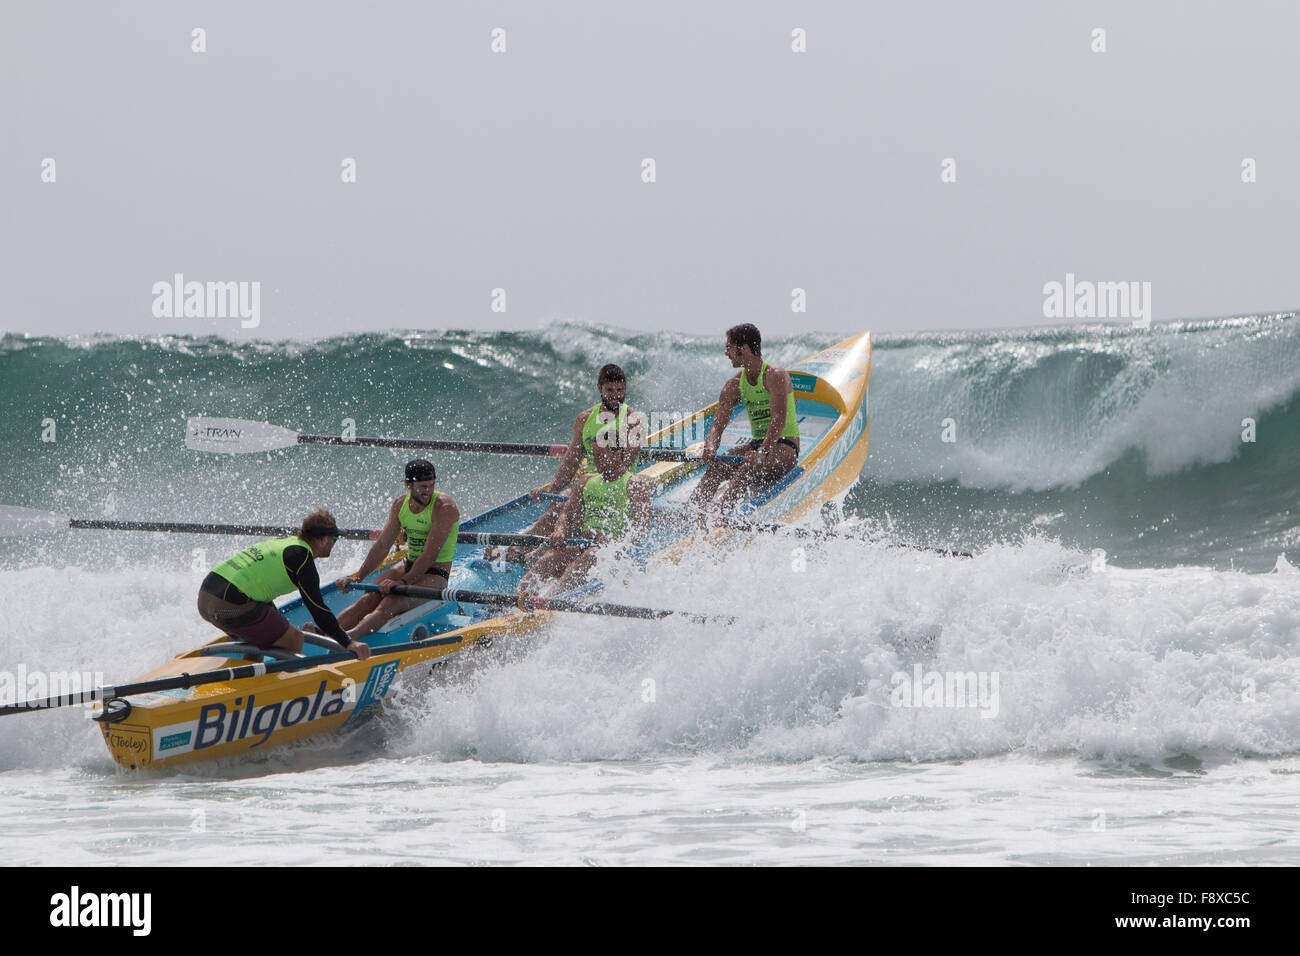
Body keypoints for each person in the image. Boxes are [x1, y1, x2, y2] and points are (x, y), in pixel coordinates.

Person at [489, 363, 644, 564]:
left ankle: (521, 550)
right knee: (558, 504)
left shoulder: (633, 420)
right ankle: (518, 548)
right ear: (599, 388)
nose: (616, 395)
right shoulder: (584, 419)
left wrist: (593, 490)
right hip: (587, 482)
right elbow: (571, 462)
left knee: (568, 504)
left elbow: (626, 463)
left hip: (616, 483)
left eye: (620, 390)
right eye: (610, 390)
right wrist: (550, 489)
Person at [197, 509, 371, 660]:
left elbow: (259, 588)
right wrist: (348, 642)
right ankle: (281, 691)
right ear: (323, 539)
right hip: (229, 606)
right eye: (335, 538)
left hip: (205, 598)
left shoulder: (284, 542)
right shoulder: (302, 559)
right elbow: (318, 608)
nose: (335, 543)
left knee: (261, 634)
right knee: (294, 638)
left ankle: (250, 682)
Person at [325, 459, 460, 641]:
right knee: (369, 599)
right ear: (408, 485)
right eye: (422, 486)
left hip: (435, 573)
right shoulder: (400, 505)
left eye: (431, 485)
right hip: (408, 565)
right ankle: (325, 634)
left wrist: (404, 582)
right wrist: (358, 577)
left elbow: (429, 555)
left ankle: (347, 640)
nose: (427, 491)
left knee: (391, 602)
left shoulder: (444, 507)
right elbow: (382, 545)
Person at [519, 435, 651, 596]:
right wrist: (559, 530)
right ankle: (513, 601)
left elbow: (641, 530)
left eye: (601, 455)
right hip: (582, 543)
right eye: (594, 455)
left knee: (592, 554)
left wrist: (614, 541)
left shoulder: (634, 484)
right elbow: (566, 514)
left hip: (612, 551)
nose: (595, 460)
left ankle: (551, 599)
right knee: (550, 558)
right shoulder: (586, 481)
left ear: (617, 454)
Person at [689, 323, 800, 512]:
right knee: (718, 466)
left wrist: (763, 452)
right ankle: (690, 514)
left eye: (729, 348)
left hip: (784, 447)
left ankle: (720, 516)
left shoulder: (775, 376)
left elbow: (778, 420)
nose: (726, 353)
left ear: (745, 348)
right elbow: (717, 425)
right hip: (756, 447)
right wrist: (711, 445)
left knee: (748, 467)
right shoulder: (733, 385)